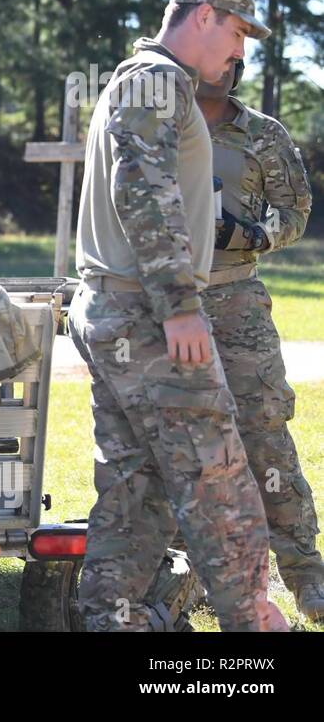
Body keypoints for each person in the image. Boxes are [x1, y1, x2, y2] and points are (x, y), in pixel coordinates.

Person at [68, 0, 286, 632]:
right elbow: (143, 192)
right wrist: (181, 305)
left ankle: (115, 621)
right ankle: (254, 622)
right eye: (240, 31)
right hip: (148, 314)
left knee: (136, 489)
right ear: (204, 15)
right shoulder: (157, 82)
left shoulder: (149, 82)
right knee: (217, 479)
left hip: (119, 309)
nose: (243, 51)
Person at [161, 58, 320, 619]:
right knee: (178, 443)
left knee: (265, 437)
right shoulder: (159, 123)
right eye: (215, 60)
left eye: (234, 63)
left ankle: (308, 580)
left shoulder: (263, 135)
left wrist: (252, 232)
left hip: (238, 301)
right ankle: (180, 578)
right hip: (166, 303)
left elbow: (295, 211)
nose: (222, 72)